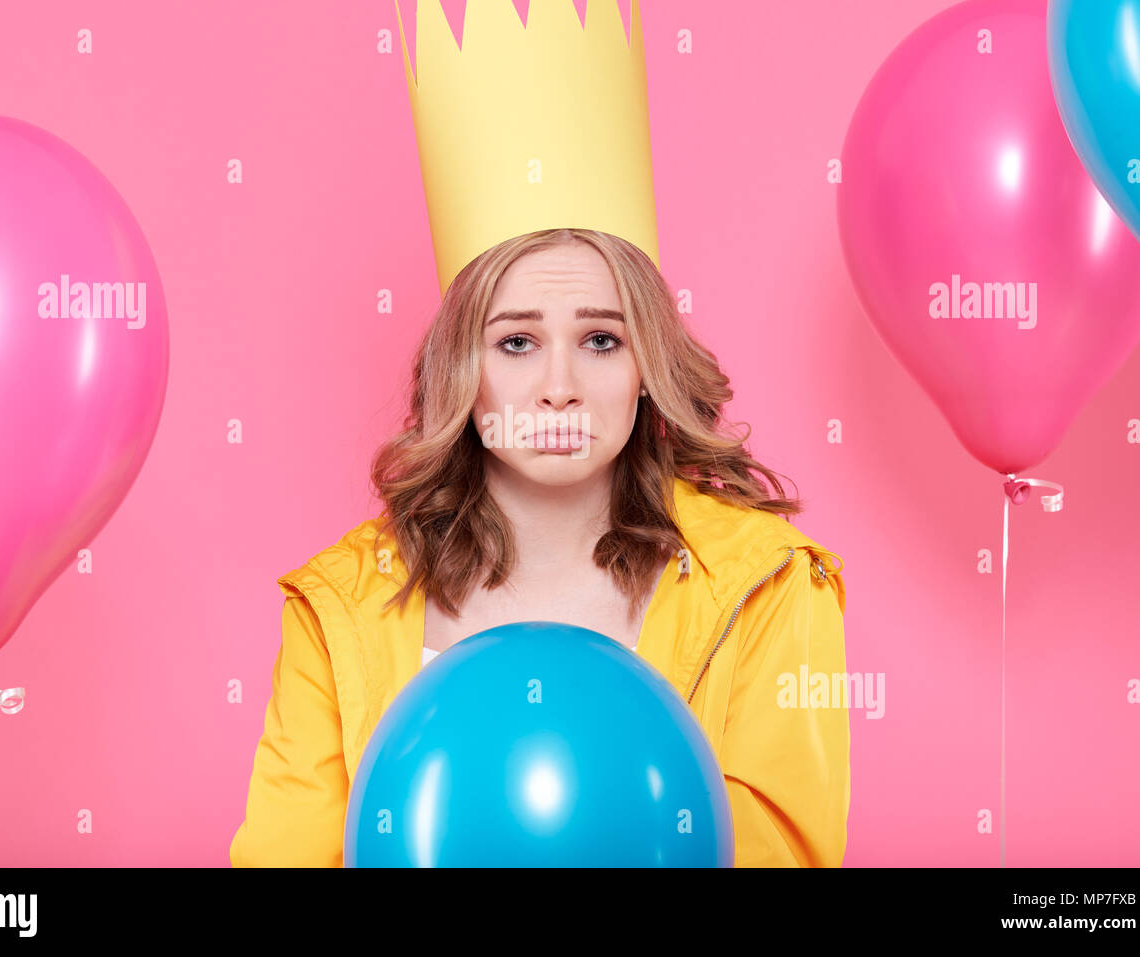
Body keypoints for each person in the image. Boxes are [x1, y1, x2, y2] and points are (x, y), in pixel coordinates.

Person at [228, 225, 850, 867]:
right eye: (517, 341)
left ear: (646, 370)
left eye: (601, 340)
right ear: (461, 370)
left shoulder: (767, 584)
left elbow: (779, 853)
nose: (559, 388)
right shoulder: (339, 601)